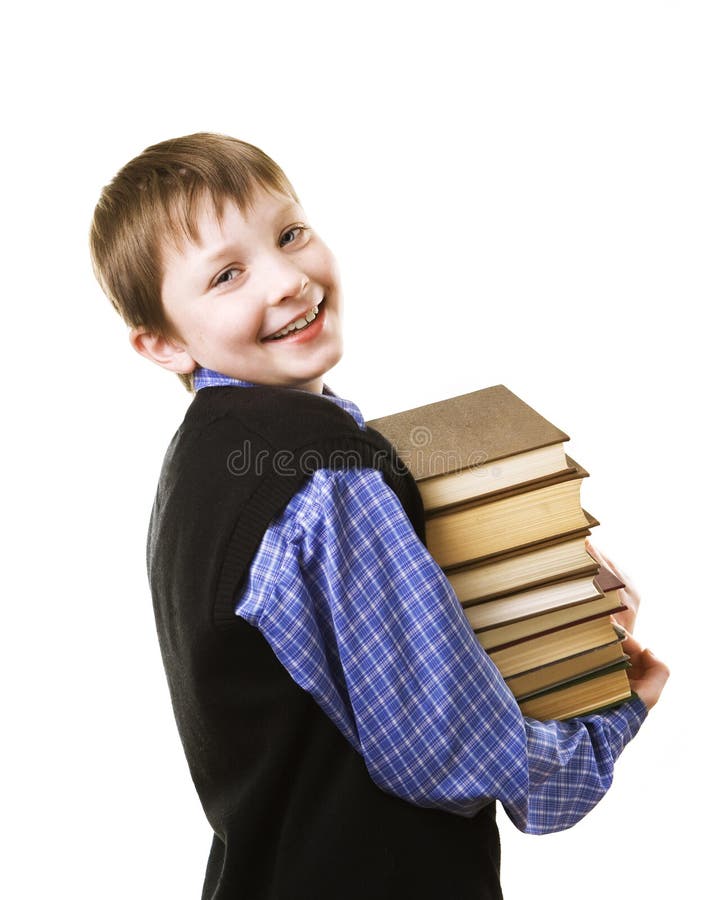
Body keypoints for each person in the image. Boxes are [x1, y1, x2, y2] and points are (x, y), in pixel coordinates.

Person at [89, 133, 669, 899]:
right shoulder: (327, 470)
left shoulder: (200, 462)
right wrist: (613, 709)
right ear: (159, 342)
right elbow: (445, 751)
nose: (288, 279)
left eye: (289, 234)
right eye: (227, 274)